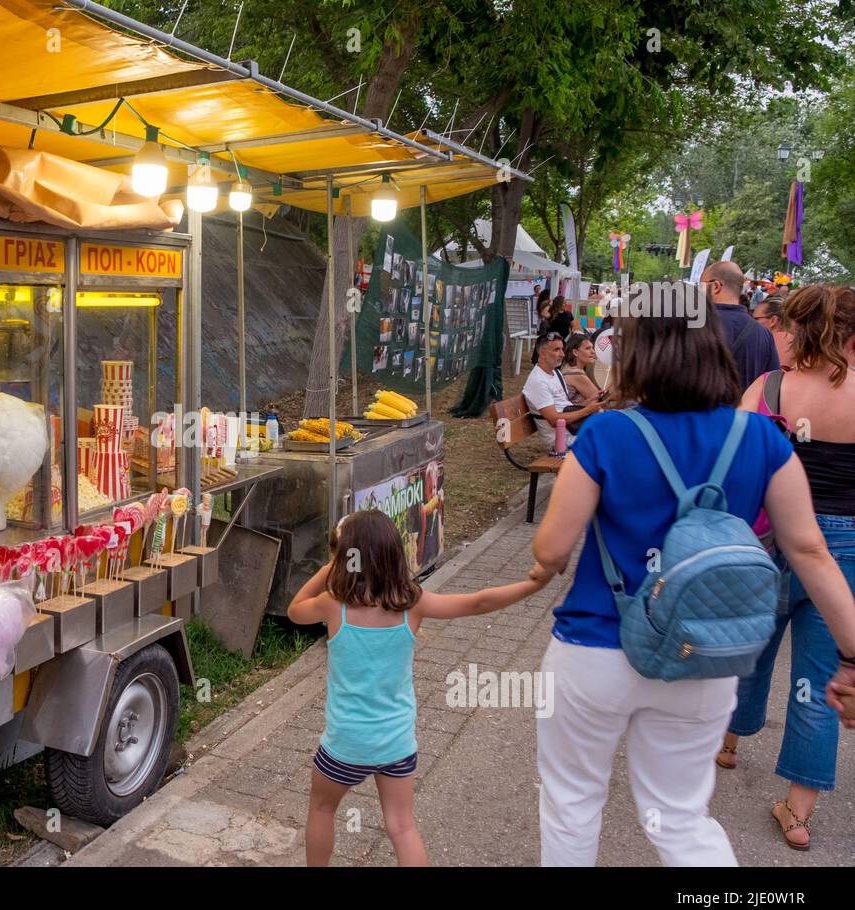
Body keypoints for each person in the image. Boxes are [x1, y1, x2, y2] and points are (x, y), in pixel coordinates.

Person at [531, 293, 855, 867]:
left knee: (572, 802)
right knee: (681, 816)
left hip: (595, 649)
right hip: (703, 657)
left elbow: (552, 550)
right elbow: (809, 550)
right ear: (714, 350)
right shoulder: (763, 439)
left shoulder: (607, 435)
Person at [287, 510, 550, 866]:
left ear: (344, 558)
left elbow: (293, 610)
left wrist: (328, 569)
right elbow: (478, 602)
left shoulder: (334, 606)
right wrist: (532, 585)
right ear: (394, 554)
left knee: (321, 809)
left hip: (346, 743)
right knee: (401, 826)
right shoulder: (412, 603)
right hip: (396, 742)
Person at [717, 285, 855, 851]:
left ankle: (726, 742)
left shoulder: (767, 388)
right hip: (844, 553)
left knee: (749, 649)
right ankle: (797, 813)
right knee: (821, 678)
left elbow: (733, 470)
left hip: (769, 539)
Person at [701, 260, 780, 390]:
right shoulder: (763, 333)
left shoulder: (690, 326)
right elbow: (772, 387)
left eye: (701, 286)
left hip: (697, 408)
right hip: (744, 409)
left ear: (716, 286)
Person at [522, 332, 604, 448]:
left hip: (572, 430)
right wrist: (587, 410)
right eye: (556, 350)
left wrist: (590, 401)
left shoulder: (556, 373)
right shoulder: (538, 381)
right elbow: (554, 420)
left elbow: (566, 407)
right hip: (561, 439)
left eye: (562, 349)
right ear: (542, 353)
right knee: (611, 438)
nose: (562, 354)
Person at [753, 293, 794, 370]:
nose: (752, 322)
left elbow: (776, 377)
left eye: (756, 319)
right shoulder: (791, 340)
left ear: (773, 320)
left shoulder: (781, 340)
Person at [560, 332, 602, 404]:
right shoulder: (576, 373)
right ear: (575, 352)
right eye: (588, 348)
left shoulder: (567, 367)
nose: (593, 352)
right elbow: (600, 400)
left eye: (592, 348)